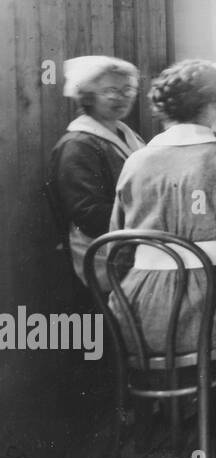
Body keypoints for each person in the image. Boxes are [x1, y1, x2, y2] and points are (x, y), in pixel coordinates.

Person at [108, 60, 216, 427]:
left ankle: (185, 405)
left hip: (136, 316)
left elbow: (116, 250)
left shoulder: (136, 161)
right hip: (206, 312)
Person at [49, 56, 147, 287]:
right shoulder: (78, 144)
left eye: (128, 89)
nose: (121, 97)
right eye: (110, 90)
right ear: (88, 95)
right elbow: (89, 215)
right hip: (104, 255)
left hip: (133, 242)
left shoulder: (128, 136)